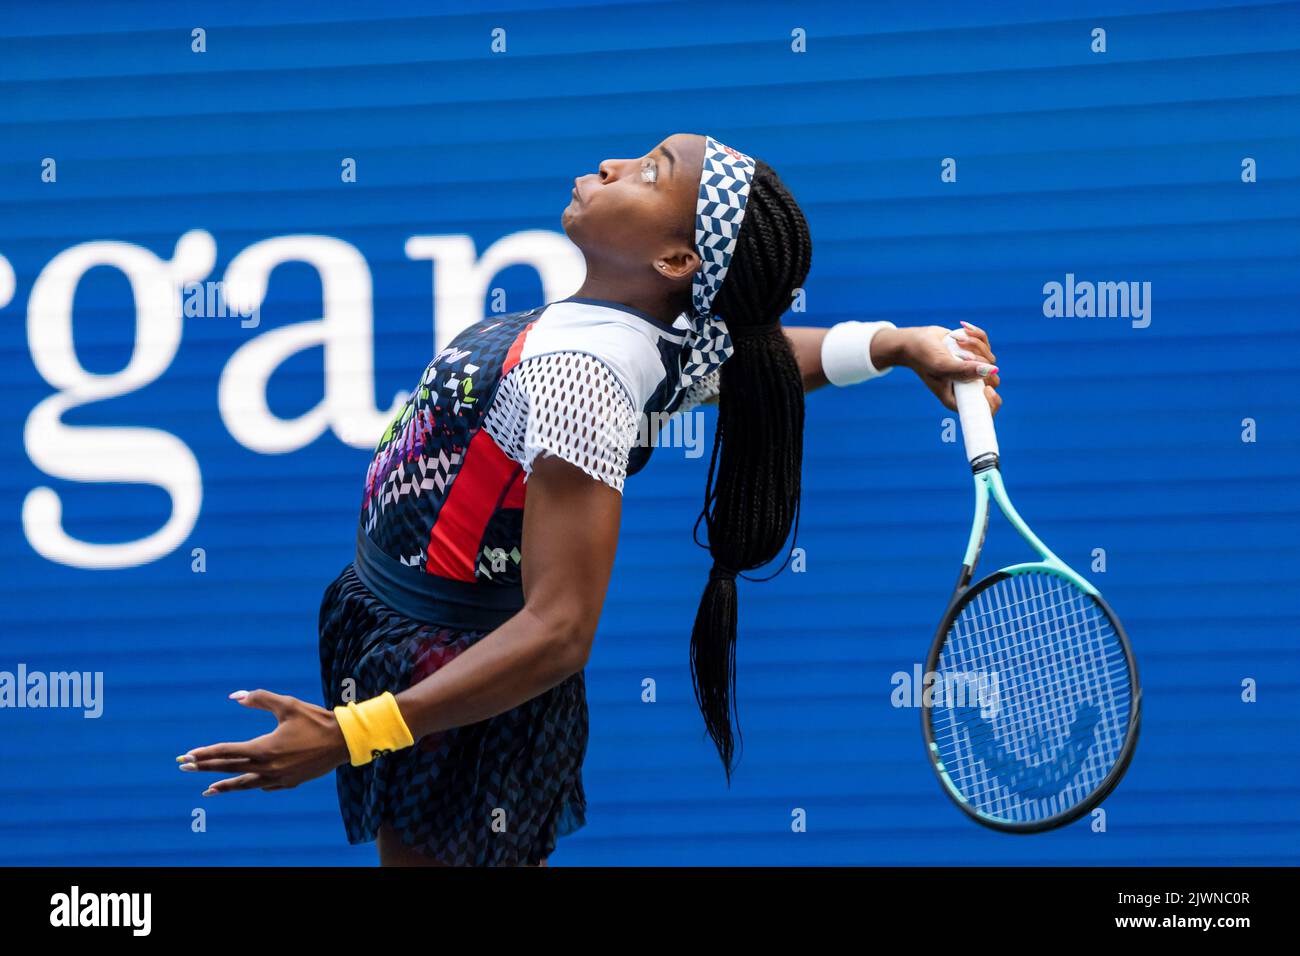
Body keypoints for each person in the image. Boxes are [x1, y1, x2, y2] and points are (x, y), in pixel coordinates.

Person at [177, 133, 1001, 866]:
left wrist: (353, 734)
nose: (613, 163)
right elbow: (761, 354)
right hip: (408, 633)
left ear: (676, 263)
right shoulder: (641, 334)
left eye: (649, 173)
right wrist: (895, 343)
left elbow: (561, 630)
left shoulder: (586, 375)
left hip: (459, 678)